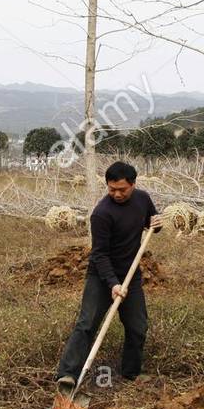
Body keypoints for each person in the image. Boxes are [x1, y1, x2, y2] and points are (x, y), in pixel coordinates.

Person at [55, 160, 164, 393]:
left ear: (133, 185)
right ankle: (68, 375)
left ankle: (131, 373)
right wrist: (113, 284)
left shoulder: (142, 199)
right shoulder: (102, 214)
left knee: (137, 326)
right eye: (111, 188)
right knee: (87, 324)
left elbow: (152, 223)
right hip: (101, 275)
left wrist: (156, 223)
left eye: (122, 189)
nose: (116, 194)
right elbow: (99, 255)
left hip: (131, 275)